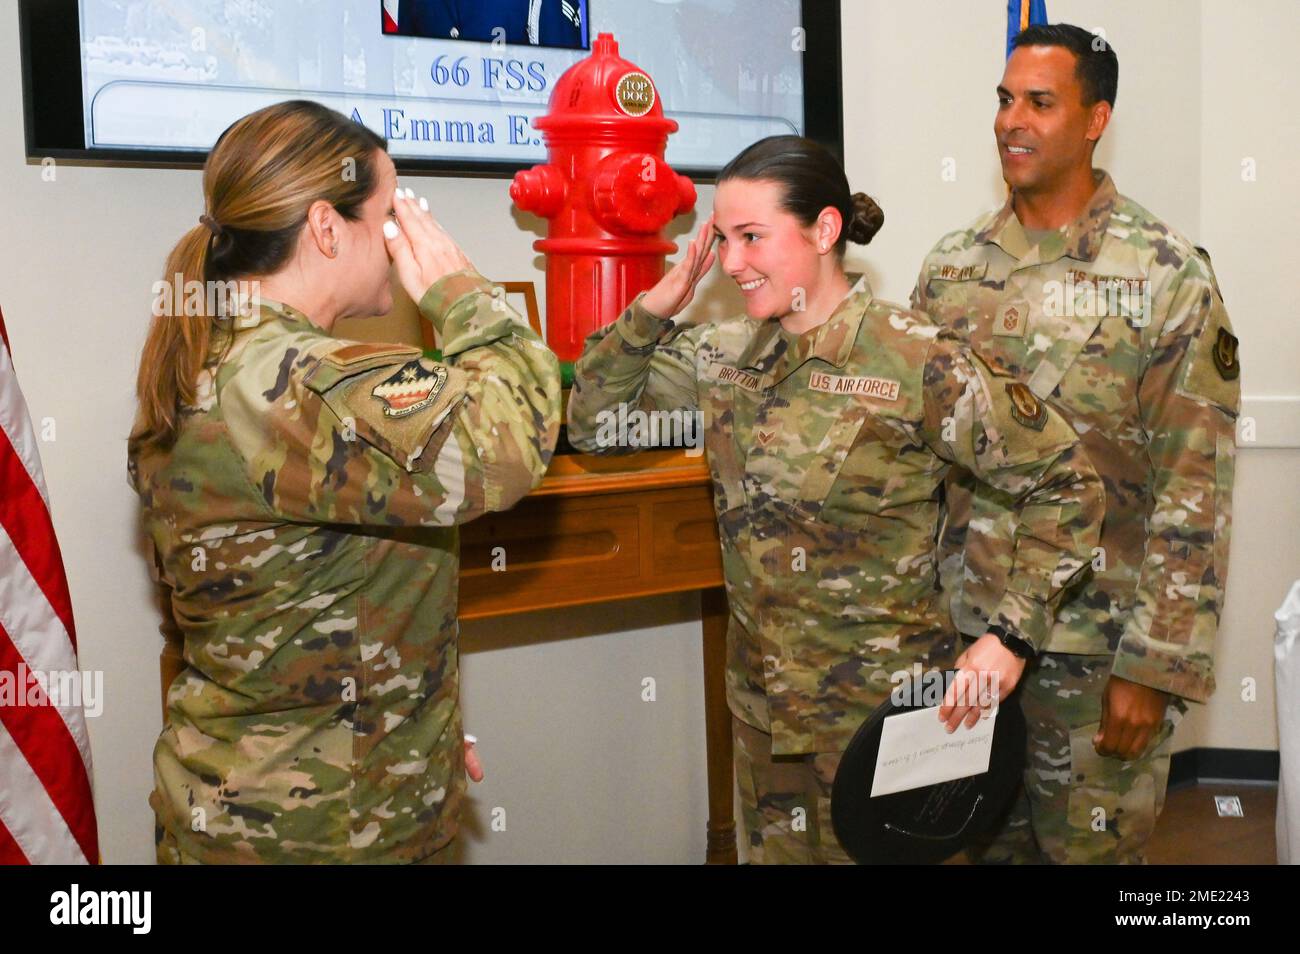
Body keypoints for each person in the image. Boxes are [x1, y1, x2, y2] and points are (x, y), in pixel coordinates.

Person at [566, 135, 1105, 863]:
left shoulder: (915, 357)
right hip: (763, 719)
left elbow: (1065, 480)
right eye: (723, 239)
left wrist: (1012, 637)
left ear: (823, 230)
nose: (730, 263)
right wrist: (653, 309)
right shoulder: (724, 356)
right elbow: (595, 422)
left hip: (884, 722)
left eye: (752, 237)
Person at [127, 100, 561, 864]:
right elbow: (512, 444)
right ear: (327, 228)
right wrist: (461, 291)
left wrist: (406, 725)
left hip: (262, 800)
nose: (397, 237)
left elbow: (287, 596)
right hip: (319, 835)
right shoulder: (304, 381)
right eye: (388, 211)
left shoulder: (209, 358)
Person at [912, 24, 1240, 864]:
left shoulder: (1166, 274)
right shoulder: (951, 269)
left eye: (1040, 102)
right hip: (968, 646)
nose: (1011, 120)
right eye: (1004, 99)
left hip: (1095, 660)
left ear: (1095, 120)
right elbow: (916, 464)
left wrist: (1156, 667)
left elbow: (1194, 489)